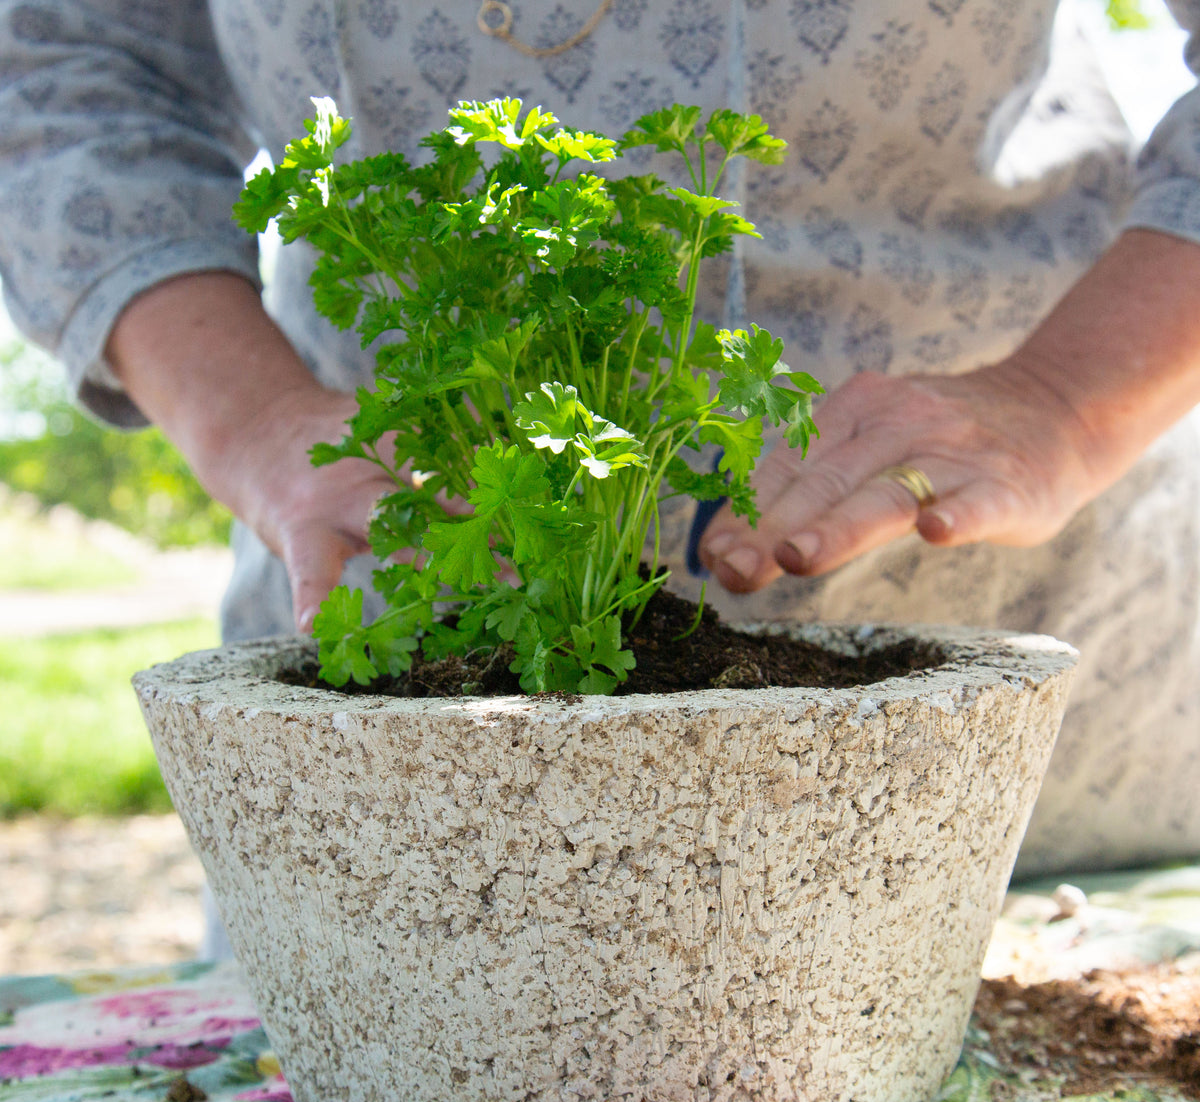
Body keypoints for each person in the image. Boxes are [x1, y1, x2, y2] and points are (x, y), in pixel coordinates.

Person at [2, 0, 1199, 884]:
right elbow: (67, 68)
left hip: (1016, 732)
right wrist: (250, 415)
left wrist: (1064, 394)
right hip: (404, 754)